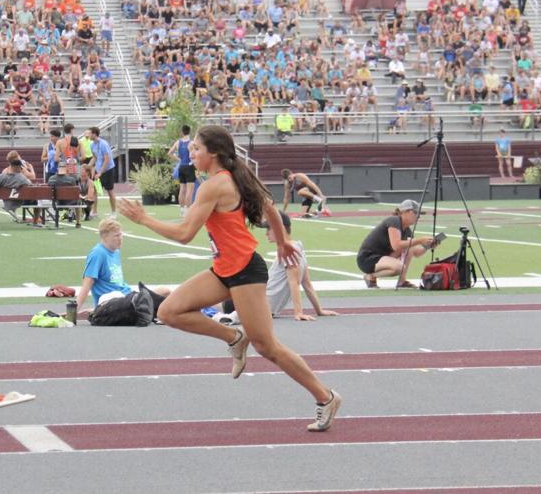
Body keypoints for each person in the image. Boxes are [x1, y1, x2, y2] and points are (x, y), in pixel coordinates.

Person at [119, 125, 342, 432]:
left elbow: (185, 234)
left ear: (214, 154)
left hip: (245, 272)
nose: (191, 153)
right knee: (169, 311)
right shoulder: (233, 178)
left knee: (267, 347)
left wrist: (144, 219)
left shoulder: (214, 186)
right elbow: (271, 210)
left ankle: (326, 397)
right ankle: (234, 337)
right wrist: (281, 242)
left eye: (197, 148)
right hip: (225, 269)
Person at [223, 211, 337, 321]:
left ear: (280, 227)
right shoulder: (298, 248)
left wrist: (301, 312)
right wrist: (318, 310)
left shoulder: (291, 250)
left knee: (227, 306)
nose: (266, 233)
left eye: (269, 228)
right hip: (255, 303)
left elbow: (297, 283)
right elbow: (304, 284)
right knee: (226, 307)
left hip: (259, 304)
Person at [74, 216, 170, 316]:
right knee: (158, 295)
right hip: (113, 301)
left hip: (127, 296)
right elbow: (87, 284)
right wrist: (73, 311)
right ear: (105, 237)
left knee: (165, 292)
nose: (120, 238)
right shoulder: (98, 254)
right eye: (116, 236)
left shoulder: (116, 251)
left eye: (121, 235)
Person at [356, 200, 443, 288]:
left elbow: (416, 253)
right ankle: (370, 276)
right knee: (399, 268)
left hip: (382, 258)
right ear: (405, 212)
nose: (418, 216)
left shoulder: (406, 230)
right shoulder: (394, 221)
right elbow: (396, 245)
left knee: (409, 248)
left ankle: (401, 281)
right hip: (367, 258)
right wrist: (419, 240)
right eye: (416, 212)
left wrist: (428, 246)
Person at [168, 125, 196, 217]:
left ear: (182, 132)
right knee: (189, 190)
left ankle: (182, 210)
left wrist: (178, 160)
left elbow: (170, 153)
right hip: (189, 166)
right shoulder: (191, 143)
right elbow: (193, 157)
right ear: (189, 132)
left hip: (181, 167)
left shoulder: (178, 142)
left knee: (182, 189)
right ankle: (188, 210)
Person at [90, 126, 117, 213]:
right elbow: (95, 157)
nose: (88, 135)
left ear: (94, 134)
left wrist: (101, 172)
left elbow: (107, 159)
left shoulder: (103, 144)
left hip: (107, 170)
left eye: (90, 133)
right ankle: (94, 212)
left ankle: (113, 212)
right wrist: (88, 165)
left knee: (110, 191)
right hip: (98, 170)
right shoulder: (92, 145)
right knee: (94, 190)